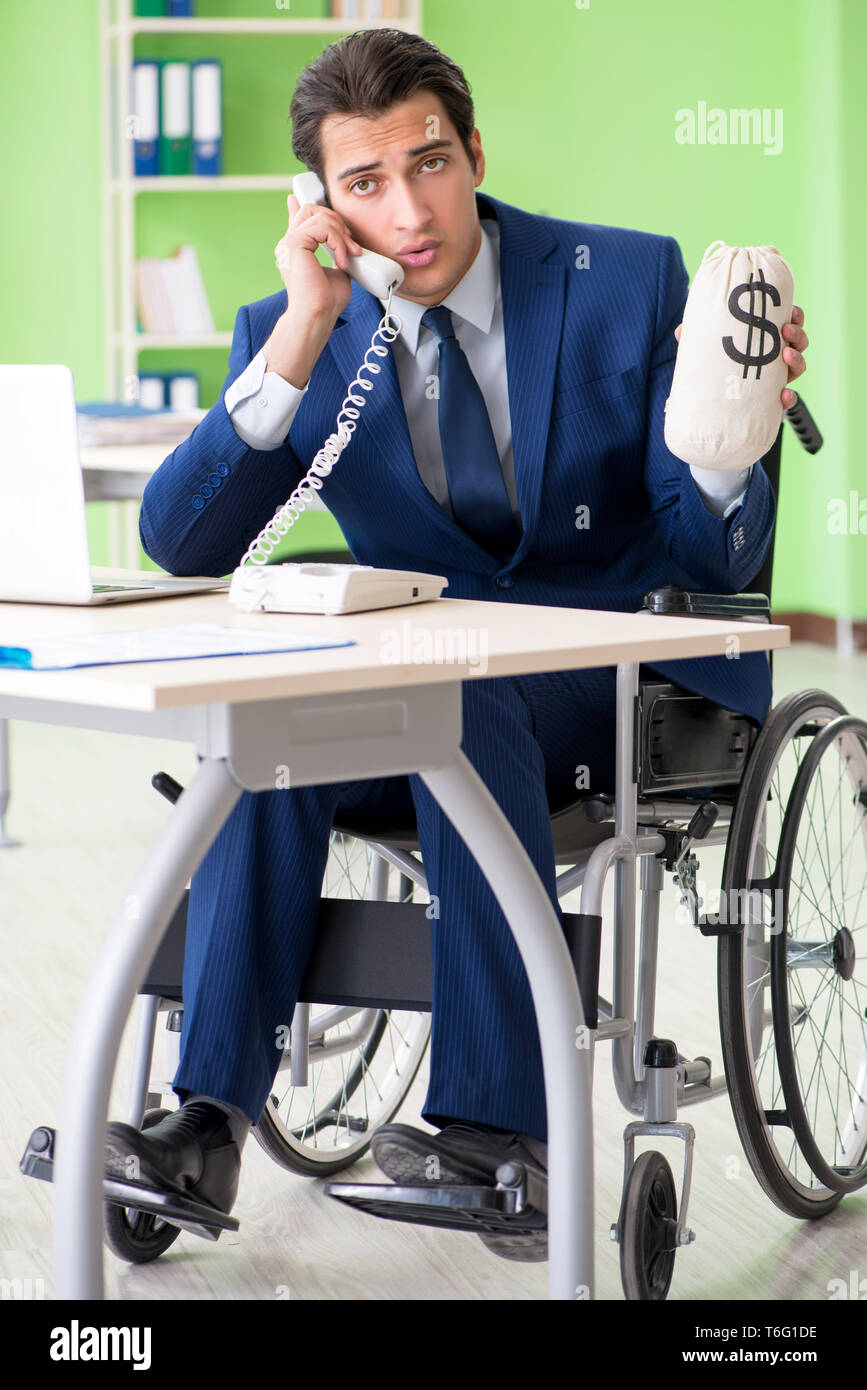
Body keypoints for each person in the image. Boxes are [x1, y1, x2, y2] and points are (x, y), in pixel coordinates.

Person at [105, 28, 808, 1263]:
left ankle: (500, 1135)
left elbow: (714, 562)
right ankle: (206, 1114)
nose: (410, 209)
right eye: (365, 184)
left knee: (458, 700)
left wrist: (722, 436)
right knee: (273, 723)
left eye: (429, 164)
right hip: (434, 694)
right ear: (322, 208)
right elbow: (180, 540)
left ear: (474, 152)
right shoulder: (303, 324)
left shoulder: (626, 283)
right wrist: (301, 339)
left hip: (613, 692)